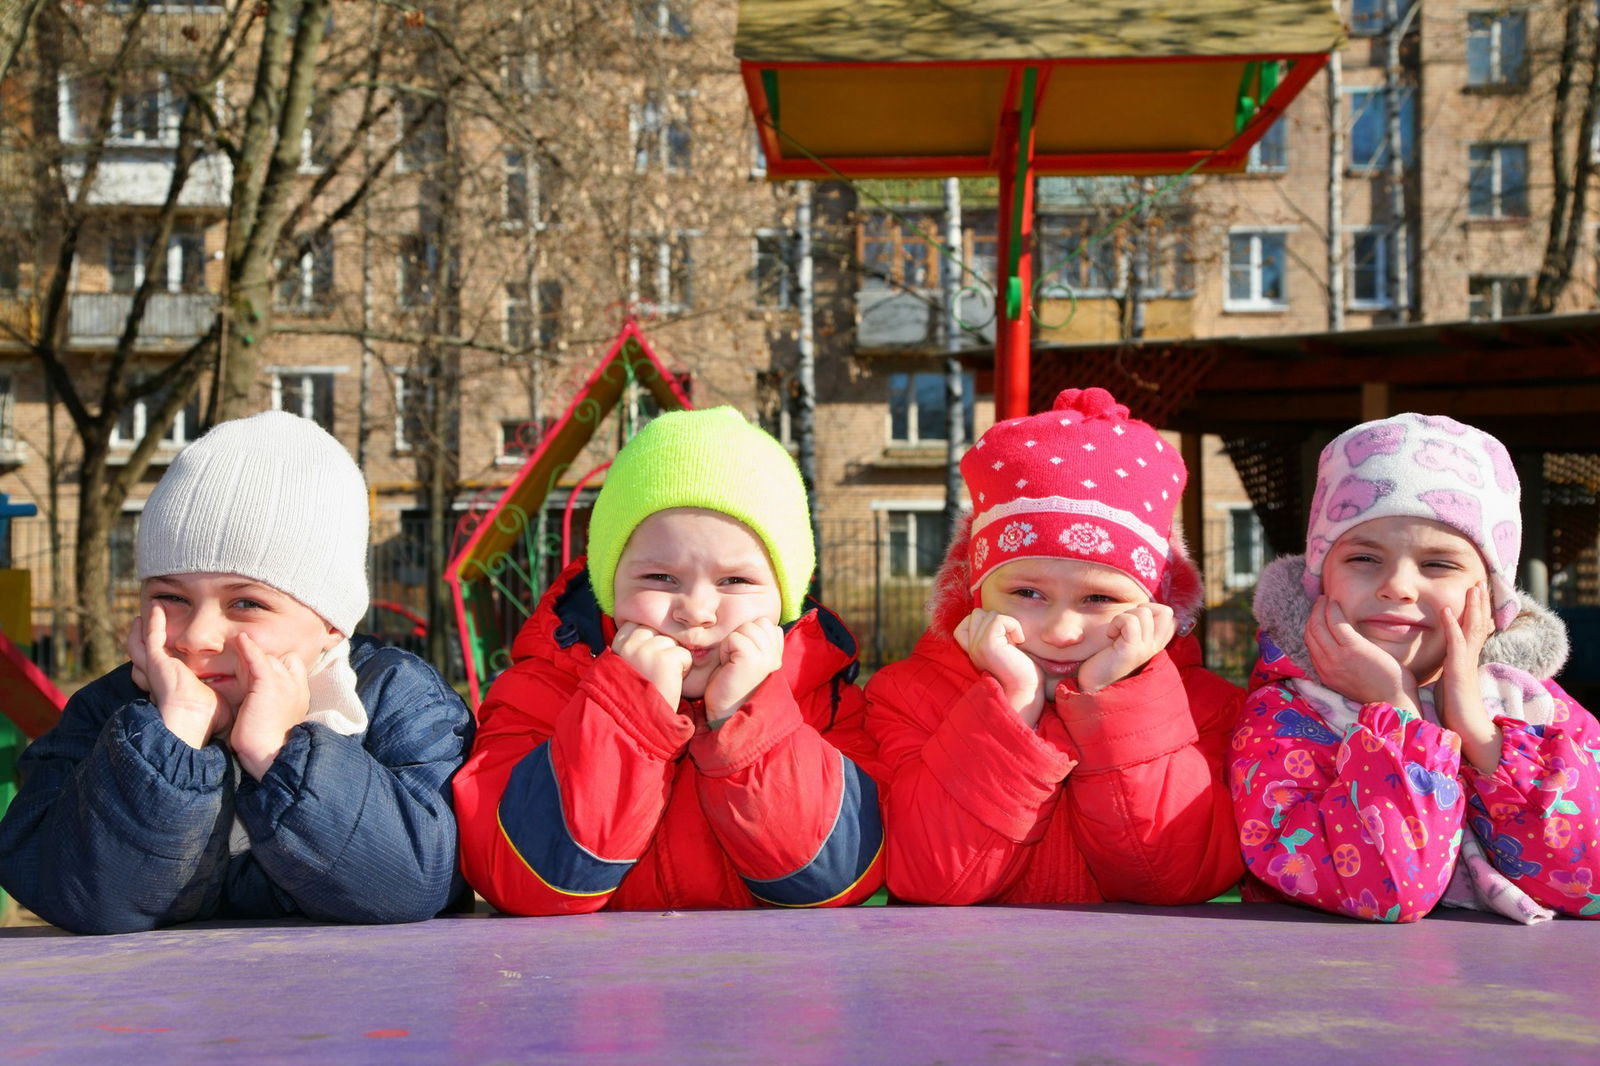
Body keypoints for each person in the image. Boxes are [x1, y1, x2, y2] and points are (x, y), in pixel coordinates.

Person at [0, 411, 474, 934]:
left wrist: (277, 753)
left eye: (246, 602)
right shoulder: (112, 713)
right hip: (155, 1010)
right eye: (170, 597)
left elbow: (417, 881)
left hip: (352, 1005)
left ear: (333, 624)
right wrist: (173, 738)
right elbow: (73, 892)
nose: (196, 637)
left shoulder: (397, 701)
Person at [453, 407, 883, 914]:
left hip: (765, 984)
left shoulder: (821, 693)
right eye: (659, 579)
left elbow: (832, 878)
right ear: (609, 583)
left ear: (785, 596)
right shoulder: (542, 686)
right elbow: (525, 883)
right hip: (596, 986)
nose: (696, 611)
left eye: (735, 581)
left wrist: (748, 720)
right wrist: (627, 713)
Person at [866, 387, 1244, 905]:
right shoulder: (908, 696)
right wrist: (1012, 708)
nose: (1061, 631)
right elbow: (935, 878)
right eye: (1026, 593)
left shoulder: (1207, 709)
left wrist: (1115, 701)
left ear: (1156, 601)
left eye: (1099, 597)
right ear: (975, 588)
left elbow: (1172, 880)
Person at [1233, 412, 1600, 923]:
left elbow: (1588, 882)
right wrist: (1395, 713)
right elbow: (1387, 891)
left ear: (1492, 597)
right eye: (1364, 558)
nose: (1398, 587)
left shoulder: (1535, 708)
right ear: (1320, 579)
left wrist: (1478, 731)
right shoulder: (1288, 716)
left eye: (1439, 565)